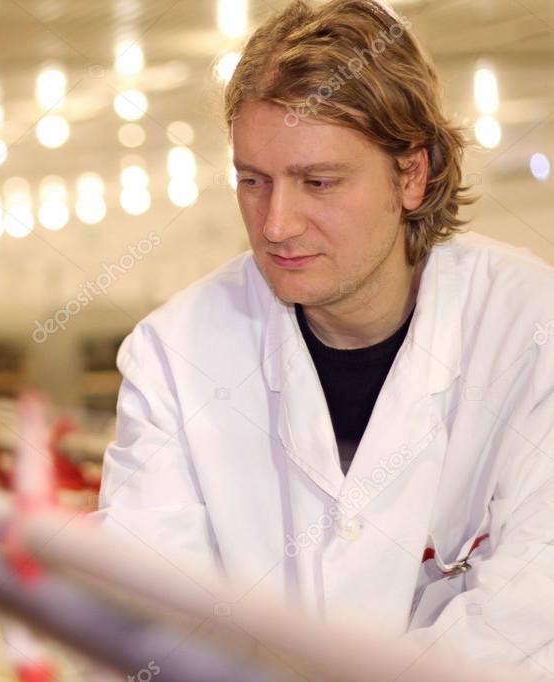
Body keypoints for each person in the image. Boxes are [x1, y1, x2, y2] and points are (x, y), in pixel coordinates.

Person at [95, 0, 554, 673]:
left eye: (318, 182)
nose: (276, 223)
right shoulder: (175, 354)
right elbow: (150, 608)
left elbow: (528, 616)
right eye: (251, 181)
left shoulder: (529, 332)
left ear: (411, 175)